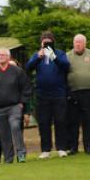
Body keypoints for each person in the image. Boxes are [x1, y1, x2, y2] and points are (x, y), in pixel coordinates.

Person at [26, 31, 70, 159]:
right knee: (44, 122)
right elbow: (28, 68)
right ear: (41, 42)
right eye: (44, 41)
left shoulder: (60, 53)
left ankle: (61, 148)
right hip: (42, 94)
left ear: (53, 41)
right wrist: (38, 57)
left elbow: (66, 66)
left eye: (49, 41)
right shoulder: (37, 55)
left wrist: (53, 56)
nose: (46, 43)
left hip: (58, 94)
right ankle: (45, 149)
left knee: (60, 121)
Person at [0, 47, 30, 163]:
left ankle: (21, 153)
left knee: (15, 126)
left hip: (14, 106)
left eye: (3, 55)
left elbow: (26, 88)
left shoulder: (18, 72)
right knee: (4, 134)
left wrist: (21, 103)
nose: (0, 57)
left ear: (8, 57)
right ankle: (8, 158)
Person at [66, 34, 90, 154]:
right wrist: (67, 92)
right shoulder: (67, 56)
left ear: (85, 44)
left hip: (89, 92)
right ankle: (73, 147)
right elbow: (63, 75)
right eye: (76, 42)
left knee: (89, 120)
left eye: (80, 42)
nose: (78, 44)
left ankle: (89, 146)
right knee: (73, 121)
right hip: (73, 93)